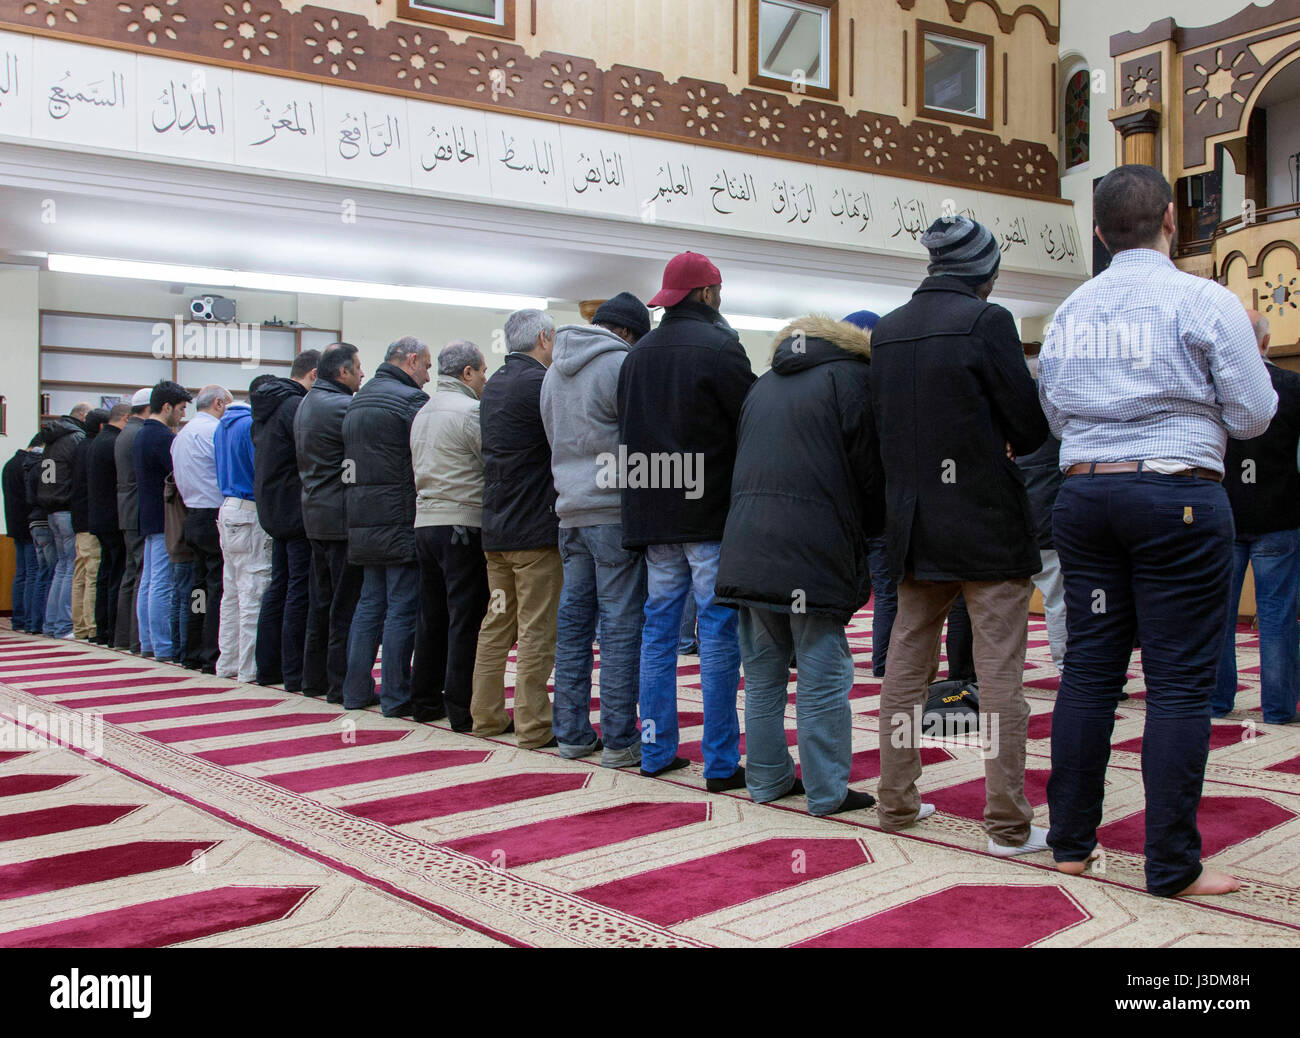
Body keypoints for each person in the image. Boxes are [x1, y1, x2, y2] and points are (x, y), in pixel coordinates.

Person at [1039, 164, 1278, 897]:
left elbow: (1054, 414)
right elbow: (1253, 416)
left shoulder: (1070, 310)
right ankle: (1171, 865)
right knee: (1176, 684)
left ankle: (1071, 846)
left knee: (1089, 670)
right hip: (1176, 498)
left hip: (1085, 500)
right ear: (1172, 220)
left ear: (1102, 232)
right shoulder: (1205, 300)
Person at [871, 215, 1050, 856]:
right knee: (1000, 675)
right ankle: (1006, 822)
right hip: (984, 529)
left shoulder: (887, 332)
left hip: (914, 530)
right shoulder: (987, 322)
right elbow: (1028, 432)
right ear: (984, 271)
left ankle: (895, 803)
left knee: (905, 671)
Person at [717, 312, 886, 815]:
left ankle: (767, 781)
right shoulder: (854, 378)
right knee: (822, 670)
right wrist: (876, 529)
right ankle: (827, 791)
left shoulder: (763, 384)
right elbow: (869, 471)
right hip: (814, 546)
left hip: (749, 542)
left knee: (764, 672)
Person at [618, 251, 754, 789]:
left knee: (659, 632)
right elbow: (748, 426)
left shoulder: (638, 354)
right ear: (706, 294)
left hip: (654, 516)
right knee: (718, 632)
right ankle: (721, 764)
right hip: (708, 516)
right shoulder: (722, 348)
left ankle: (655, 752)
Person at [542, 293, 652, 768]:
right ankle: (620, 739)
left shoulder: (551, 373)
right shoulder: (619, 367)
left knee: (572, 628)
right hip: (611, 513)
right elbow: (637, 440)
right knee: (620, 628)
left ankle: (570, 734)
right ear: (627, 332)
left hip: (570, 515)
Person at [471, 310, 561, 749]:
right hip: (534, 533)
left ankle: (486, 716)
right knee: (536, 629)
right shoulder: (541, 384)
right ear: (544, 338)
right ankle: (533, 726)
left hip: (496, 530)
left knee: (496, 624)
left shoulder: (492, 387)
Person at [1215, 311, 1300, 725]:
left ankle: (1216, 701)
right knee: (1278, 615)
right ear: (1266, 343)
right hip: (1280, 516)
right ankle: (1279, 710)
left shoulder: (1216, 390)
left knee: (1219, 616)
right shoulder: (1294, 387)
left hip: (1225, 516)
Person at [341, 337, 430, 716]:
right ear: (411, 361)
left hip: (361, 518)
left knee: (368, 606)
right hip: (398, 518)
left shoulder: (358, 399)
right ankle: (396, 696)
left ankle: (356, 690)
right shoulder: (410, 402)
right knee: (401, 609)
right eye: (426, 367)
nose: (427, 378)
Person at [410, 340, 490, 728]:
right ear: (468, 373)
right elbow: (490, 464)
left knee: (432, 615)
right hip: (462, 522)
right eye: (484, 372)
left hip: (424, 523)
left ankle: (424, 701)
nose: (486, 380)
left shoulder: (422, 412)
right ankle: (461, 708)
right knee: (465, 616)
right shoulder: (471, 411)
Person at [295, 343, 365, 703]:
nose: (362, 374)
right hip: (339, 518)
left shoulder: (307, 402)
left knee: (320, 603)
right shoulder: (342, 406)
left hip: (314, 515)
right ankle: (341, 685)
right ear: (342, 373)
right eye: (358, 367)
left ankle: (314, 680)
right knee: (345, 606)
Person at [251, 351, 320, 691]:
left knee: (279, 587)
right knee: (298, 590)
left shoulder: (265, 407)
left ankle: (269, 667)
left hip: (272, 508)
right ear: (315, 373)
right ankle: (294, 672)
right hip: (295, 508)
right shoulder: (295, 407)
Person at [214, 380, 272, 683]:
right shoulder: (249, 425)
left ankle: (228, 663)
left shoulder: (220, 426)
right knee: (253, 592)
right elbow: (258, 470)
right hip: (249, 509)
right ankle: (249, 669)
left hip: (226, 509)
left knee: (232, 594)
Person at [172, 385, 232, 672]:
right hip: (212, 514)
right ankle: (211, 655)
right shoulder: (213, 432)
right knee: (216, 588)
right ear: (219, 403)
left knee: (198, 589)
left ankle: (192, 651)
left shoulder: (181, 435)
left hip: (191, 514)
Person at [134, 381, 191, 661]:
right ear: (166, 407)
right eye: (180, 409)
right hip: (164, 517)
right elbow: (178, 472)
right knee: (161, 583)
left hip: (148, 513)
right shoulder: (161, 437)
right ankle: (164, 645)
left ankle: (149, 640)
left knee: (149, 581)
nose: (181, 415)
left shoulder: (143, 434)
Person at [1016, 357, 1067, 671]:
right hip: (1049, 526)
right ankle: (1067, 668)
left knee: (1007, 609)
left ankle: (1002, 674)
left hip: (1013, 528)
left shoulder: (1009, 424)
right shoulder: (1059, 428)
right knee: (1059, 603)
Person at [36, 402, 89, 639]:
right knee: (69, 568)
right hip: (66, 508)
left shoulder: (52, 438)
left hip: (49, 508)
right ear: (84, 416)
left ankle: (51, 624)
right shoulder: (75, 437)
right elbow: (80, 473)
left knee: (61, 567)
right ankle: (63, 626)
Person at [88, 403, 129, 647]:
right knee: (116, 575)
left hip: (98, 517)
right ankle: (113, 630)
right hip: (113, 517)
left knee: (104, 575)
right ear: (125, 417)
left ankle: (101, 628)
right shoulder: (114, 443)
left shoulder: (97, 442)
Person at [114, 388, 152, 650]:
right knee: (141, 573)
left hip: (126, 508)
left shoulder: (124, 432)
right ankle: (137, 638)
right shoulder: (139, 433)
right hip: (137, 508)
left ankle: (125, 636)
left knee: (131, 574)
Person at [69, 408, 108, 641]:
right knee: (92, 573)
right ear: (103, 427)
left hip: (78, 517)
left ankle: (80, 625)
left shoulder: (78, 447)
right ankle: (91, 626)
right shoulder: (94, 448)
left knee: (80, 574)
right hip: (90, 518)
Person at [3, 438, 38, 633]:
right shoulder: (27, 465)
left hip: (14, 524)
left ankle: (19, 619)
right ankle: (29, 618)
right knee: (32, 572)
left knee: (21, 572)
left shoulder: (10, 464)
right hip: (28, 523)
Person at [23, 439, 54, 634]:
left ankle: (33, 622)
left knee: (38, 574)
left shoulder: (28, 466)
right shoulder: (44, 466)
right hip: (44, 520)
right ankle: (42, 622)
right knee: (49, 573)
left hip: (33, 521)